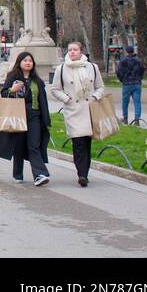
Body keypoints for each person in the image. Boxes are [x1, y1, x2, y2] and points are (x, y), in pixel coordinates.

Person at [0, 51, 51, 186]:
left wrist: (46, 119)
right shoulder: (13, 77)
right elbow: (4, 93)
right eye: (25, 60)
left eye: (30, 61)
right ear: (19, 62)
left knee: (34, 145)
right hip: (18, 114)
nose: (28, 63)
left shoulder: (37, 81)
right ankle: (18, 174)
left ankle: (40, 174)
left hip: (34, 116)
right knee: (19, 145)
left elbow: (43, 100)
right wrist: (12, 89)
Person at [48, 41, 106, 187]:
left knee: (87, 142)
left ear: (81, 51)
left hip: (89, 109)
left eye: (75, 50)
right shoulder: (61, 69)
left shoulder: (92, 67)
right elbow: (55, 89)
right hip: (73, 110)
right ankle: (82, 174)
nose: (72, 52)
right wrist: (66, 99)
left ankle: (84, 172)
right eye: (70, 50)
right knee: (78, 142)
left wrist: (94, 97)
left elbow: (100, 87)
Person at [115, 45, 144, 124]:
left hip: (127, 84)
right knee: (137, 102)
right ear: (133, 52)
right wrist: (139, 78)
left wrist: (122, 79)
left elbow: (118, 71)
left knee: (125, 102)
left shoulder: (123, 61)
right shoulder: (138, 61)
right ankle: (137, 119)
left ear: (126, 52)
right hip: (137, 83)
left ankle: (125, 118)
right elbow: (142, 71)